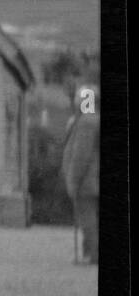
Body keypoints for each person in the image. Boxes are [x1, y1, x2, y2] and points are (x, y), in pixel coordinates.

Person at [60, 83, 100, 265]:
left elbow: (80, 155)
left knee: (87, 218)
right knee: (90, 217)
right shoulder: (92, 119)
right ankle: (89, 252)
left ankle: (93, 255)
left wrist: (73, 181)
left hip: (87, 180)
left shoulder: (86, 122)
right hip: (93, 179)